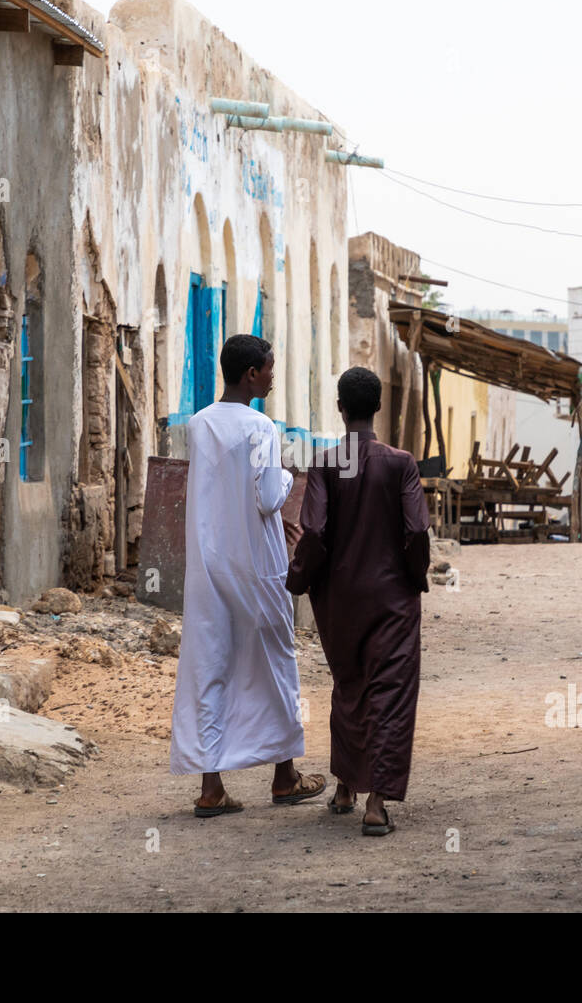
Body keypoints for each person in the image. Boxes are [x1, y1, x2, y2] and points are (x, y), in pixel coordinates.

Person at [169, 334, 326, 817]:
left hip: (208, 564)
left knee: (209, 665)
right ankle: (284, 776)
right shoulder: (261, 427)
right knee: (275, 664)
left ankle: (211, 787)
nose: (273, 375)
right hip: (257, 565)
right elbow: (265, 497)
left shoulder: (199, 424)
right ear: (250, 374)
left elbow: (223, 489)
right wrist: (286, 478)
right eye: (269, 368)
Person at [286, 367, 430, 837]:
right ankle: (377, 803)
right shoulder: (401, 463)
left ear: (341, 408)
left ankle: (346, 785)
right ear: (378, 408)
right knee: (389, 692)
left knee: (349, 687)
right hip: (392, 599)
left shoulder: (326, 464)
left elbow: (315, 532)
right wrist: (415, 580)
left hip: (340, 600)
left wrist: (300, 580)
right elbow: (416, 531)